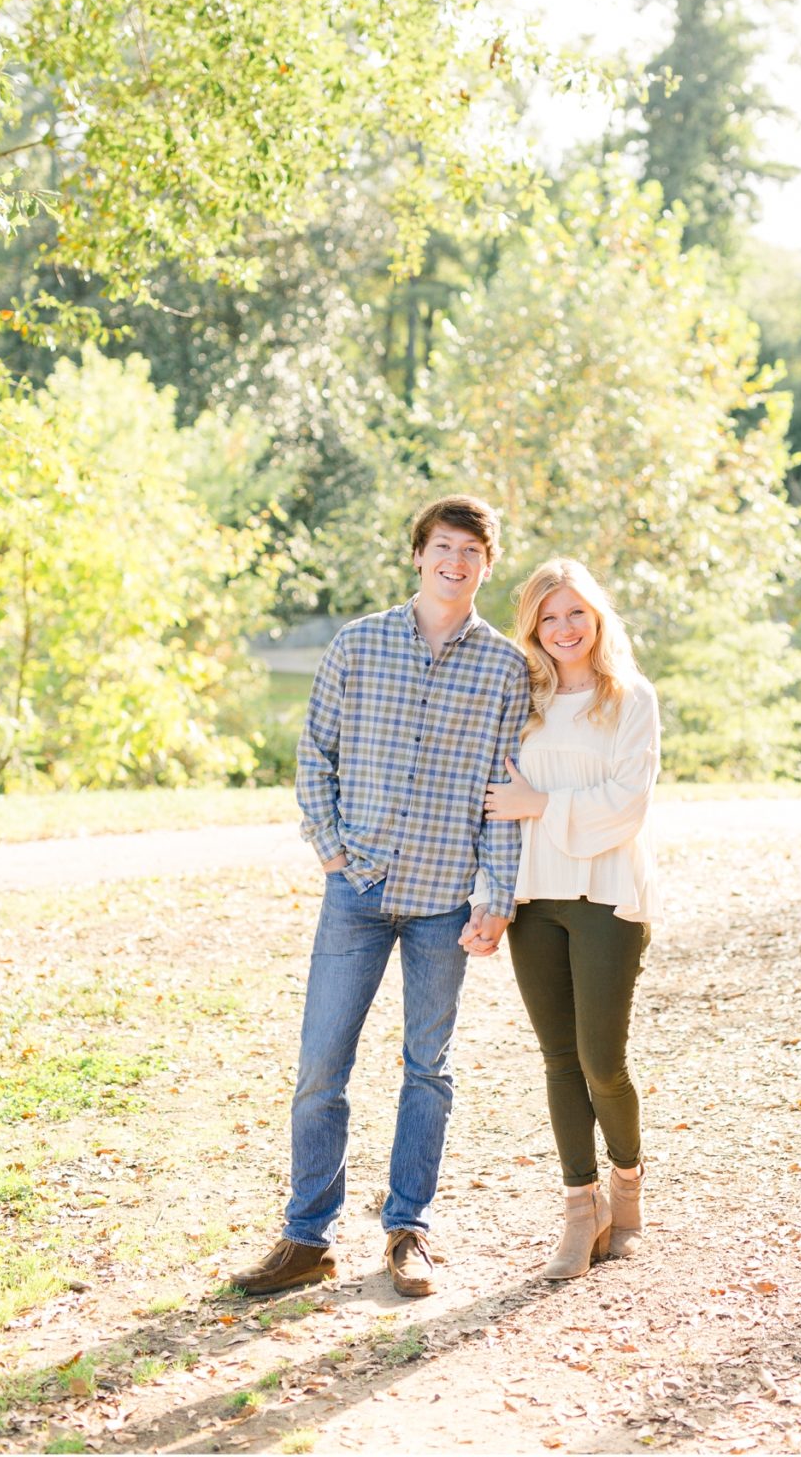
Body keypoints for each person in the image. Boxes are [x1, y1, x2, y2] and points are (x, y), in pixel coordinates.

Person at [230, 495, 528, 1299]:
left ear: (486, 565)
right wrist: (328, 847)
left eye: (471, 551)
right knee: (321, 1065)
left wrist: (496, 896)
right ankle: (306, 1238)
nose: (455, 562)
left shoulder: (504, 668)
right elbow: (315, 752)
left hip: (442, 901)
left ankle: (409, 1231)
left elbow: (505, 794)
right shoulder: (359, 644)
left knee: (427, 1069)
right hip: (355, 893)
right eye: (442, 546)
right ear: (418, 554)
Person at [460, 558, 660, 1280]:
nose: (564, 628)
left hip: (607, 896)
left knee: (603, 1065)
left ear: (597, 618)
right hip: (534, 897)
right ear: (533, 628)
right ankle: (581, 1210)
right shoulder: (524, 701)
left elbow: (626, 804)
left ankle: (626, 1187)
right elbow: (494, 808)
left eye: (576, 612)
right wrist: (492, 897)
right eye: (549, 617)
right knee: (558, 1061)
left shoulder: (629, 698)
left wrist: (541, 804)